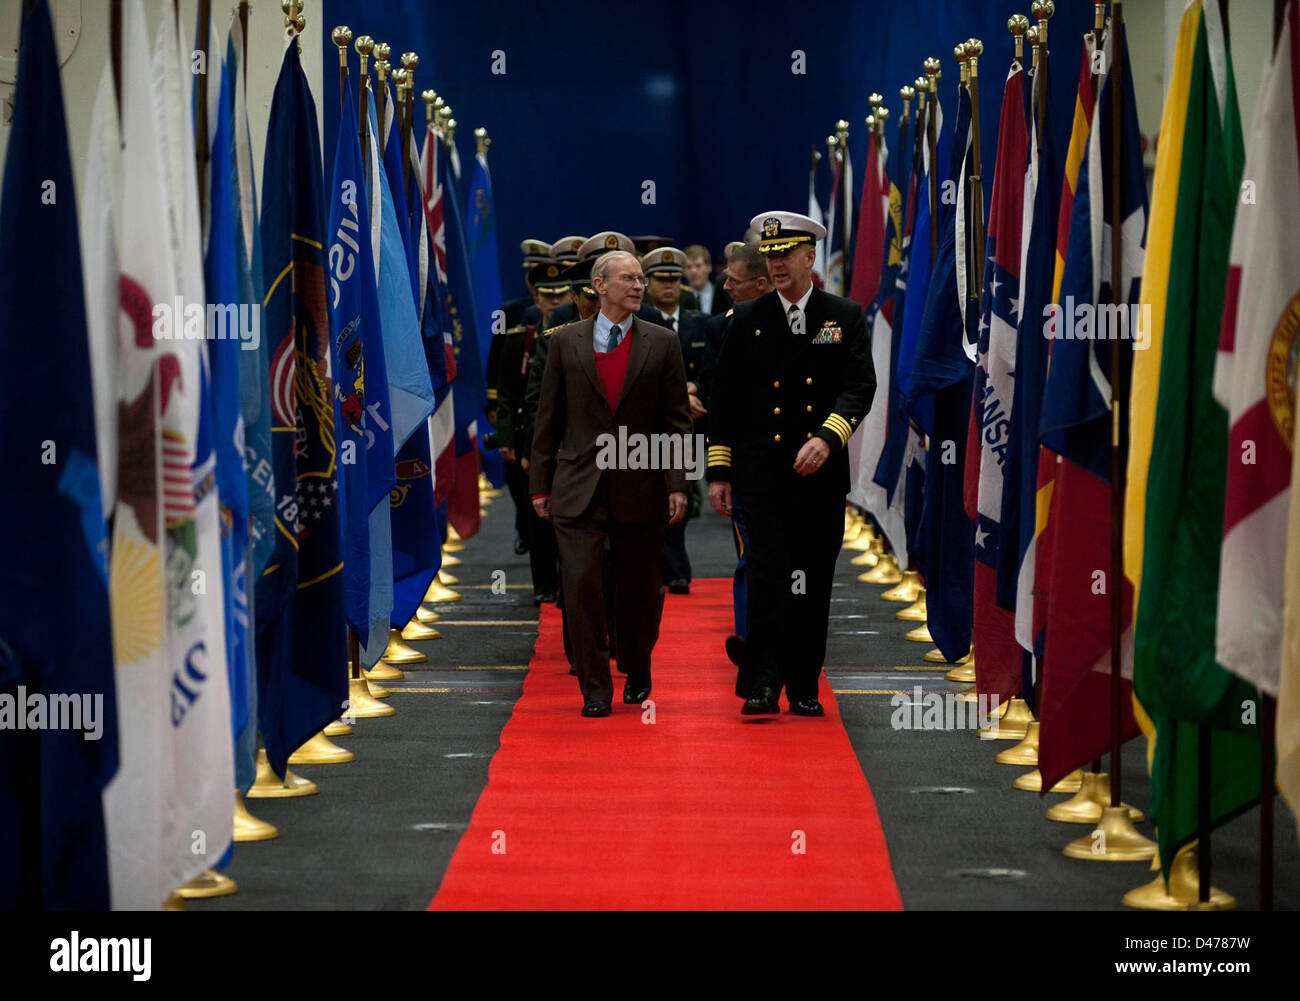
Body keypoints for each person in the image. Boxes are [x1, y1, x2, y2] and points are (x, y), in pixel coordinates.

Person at [707, 211, 875, 717]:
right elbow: (726, 401)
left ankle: (803, 683)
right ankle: (761, 682)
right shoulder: (748, 320)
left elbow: (858, 387)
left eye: (785, 255)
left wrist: (829, 436)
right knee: (766, 576)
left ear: (810, 257)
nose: (777, 264)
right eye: (771, 255)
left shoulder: (841, 317)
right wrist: (719, 470)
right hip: (762, 474)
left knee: (811, 578)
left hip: (819, 475)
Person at [531, 250, 692, 717]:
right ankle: (595, 687)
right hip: (577, 485)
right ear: (599, 285)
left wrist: (678, 483)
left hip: (642, 483)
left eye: (641, 279)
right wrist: (540, 486)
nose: (639, 286)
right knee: (580, 588)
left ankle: (637, 667)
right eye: (629, 278)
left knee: (640, 590)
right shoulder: (564, 342)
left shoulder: (662, 343)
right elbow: (548, 420)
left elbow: (677, 421)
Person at [698, 241, 773, 666]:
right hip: (748, 462)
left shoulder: (820, 320)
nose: (725, 286)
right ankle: (749, 642)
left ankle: (789, 641)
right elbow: (717, 403)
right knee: (750, 557)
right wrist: (718, 470)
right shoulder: (722, 328)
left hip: (802, 463)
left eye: (734, 279)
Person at [643, 246, 707, 595]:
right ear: (648, 282)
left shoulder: (699, 322)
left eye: (674, 279)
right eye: (661, 279)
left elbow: (713, 367)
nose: (668, 286)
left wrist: (693, 389)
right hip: (651, 423)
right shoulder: (643, 321)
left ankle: (677, 566)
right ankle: (668, 566)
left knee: (681, 492)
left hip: (693, 421)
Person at [683, 244, 731, 316]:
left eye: (698, 265)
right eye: (689, 267)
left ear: (709, 267)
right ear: (683, 270)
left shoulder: (723, 294)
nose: (693, 271)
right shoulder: (680, 299)